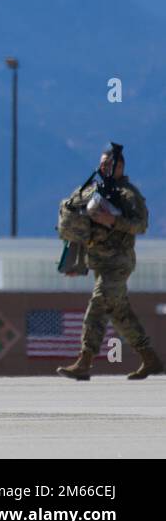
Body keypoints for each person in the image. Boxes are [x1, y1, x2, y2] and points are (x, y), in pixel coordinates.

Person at [56, 142, 161, 380]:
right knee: (120, 314)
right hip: (99, 263)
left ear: (119, 167)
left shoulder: (128, 195)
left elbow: (141, 225)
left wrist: (113, 221)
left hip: (118, 263)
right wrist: (75, 263)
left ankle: (84, 361)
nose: (102, 168)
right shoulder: (93, 191)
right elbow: (78, 226)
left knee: (97, 308)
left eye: (107, 164)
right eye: (101, 163)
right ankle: (150, 358)